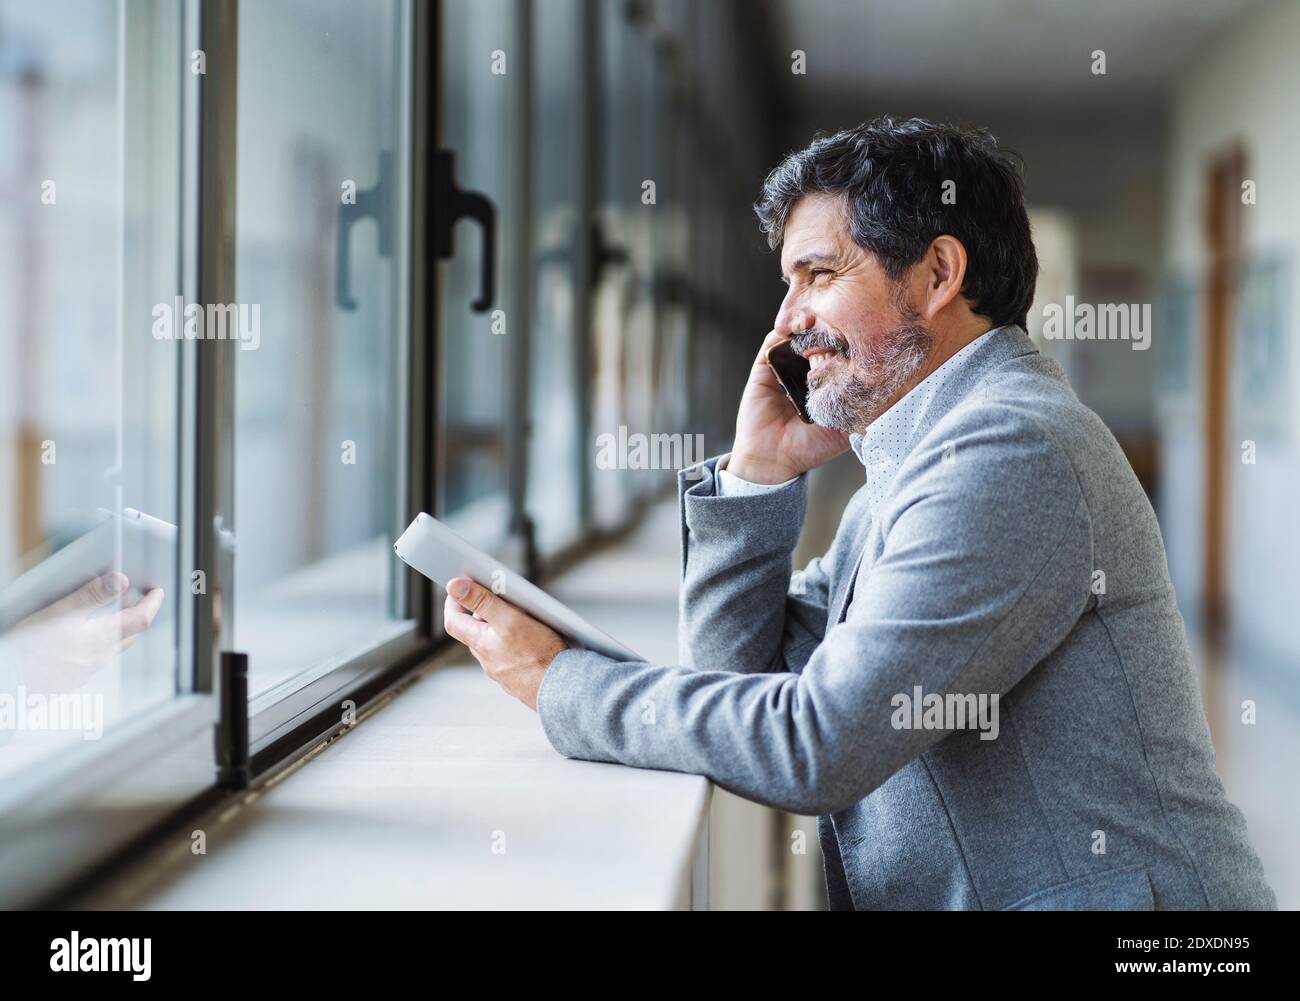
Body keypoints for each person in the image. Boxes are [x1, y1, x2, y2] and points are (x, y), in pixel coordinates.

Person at [442, 117, 1276, 910]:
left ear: (939, 274)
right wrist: (759, 471)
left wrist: (560, 682)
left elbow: (817, 742)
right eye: (788, 283)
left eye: (819, 275)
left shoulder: (1014, 450)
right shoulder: (908, 469)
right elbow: (738, 680)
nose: (786, 323)